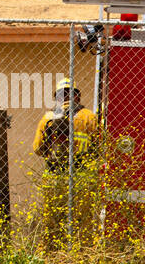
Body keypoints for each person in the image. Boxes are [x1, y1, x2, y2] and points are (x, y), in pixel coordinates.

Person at [32, 78, 100, 246]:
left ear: (58, 98)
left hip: (55, 176)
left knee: (52, 218)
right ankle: (83, 251)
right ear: (77, 96)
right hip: (82, 176)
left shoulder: (48, 117)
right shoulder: (89, 117)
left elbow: (38, 148)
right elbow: (99, 146)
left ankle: (49, 252)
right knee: (84, 219)